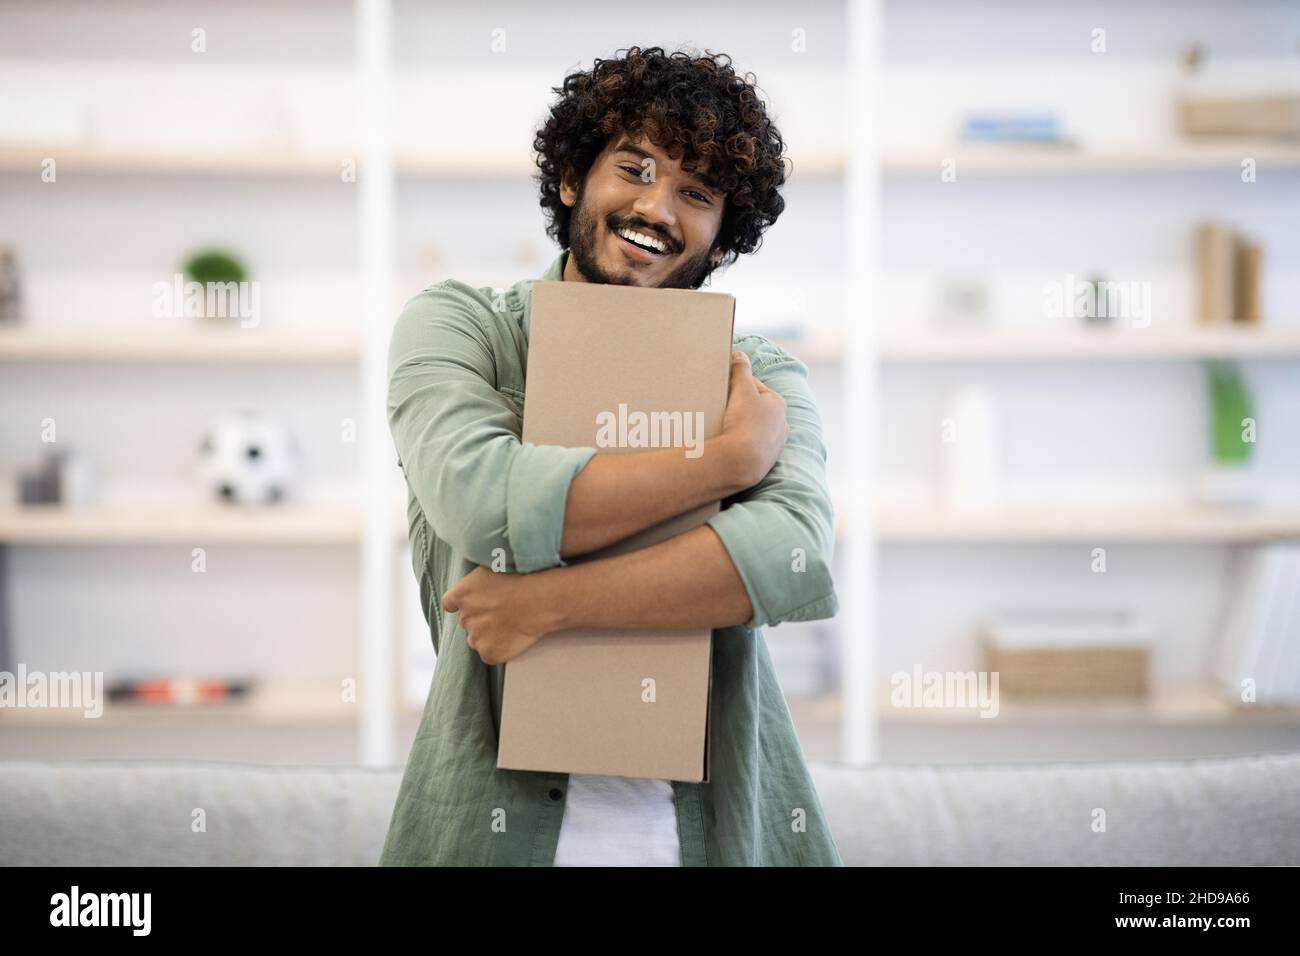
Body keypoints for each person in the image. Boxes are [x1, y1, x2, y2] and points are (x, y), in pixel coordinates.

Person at [379, 46, 842, 867]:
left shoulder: (761, 376)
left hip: (709, 832)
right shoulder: (461, 330)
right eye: (634, 167)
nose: (657, 207)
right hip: (487, 829)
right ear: (570, 180)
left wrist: (547, 604)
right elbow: (484, 503)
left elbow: (790, 559)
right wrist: (724, 465)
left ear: (721, 241)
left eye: (696, 194)